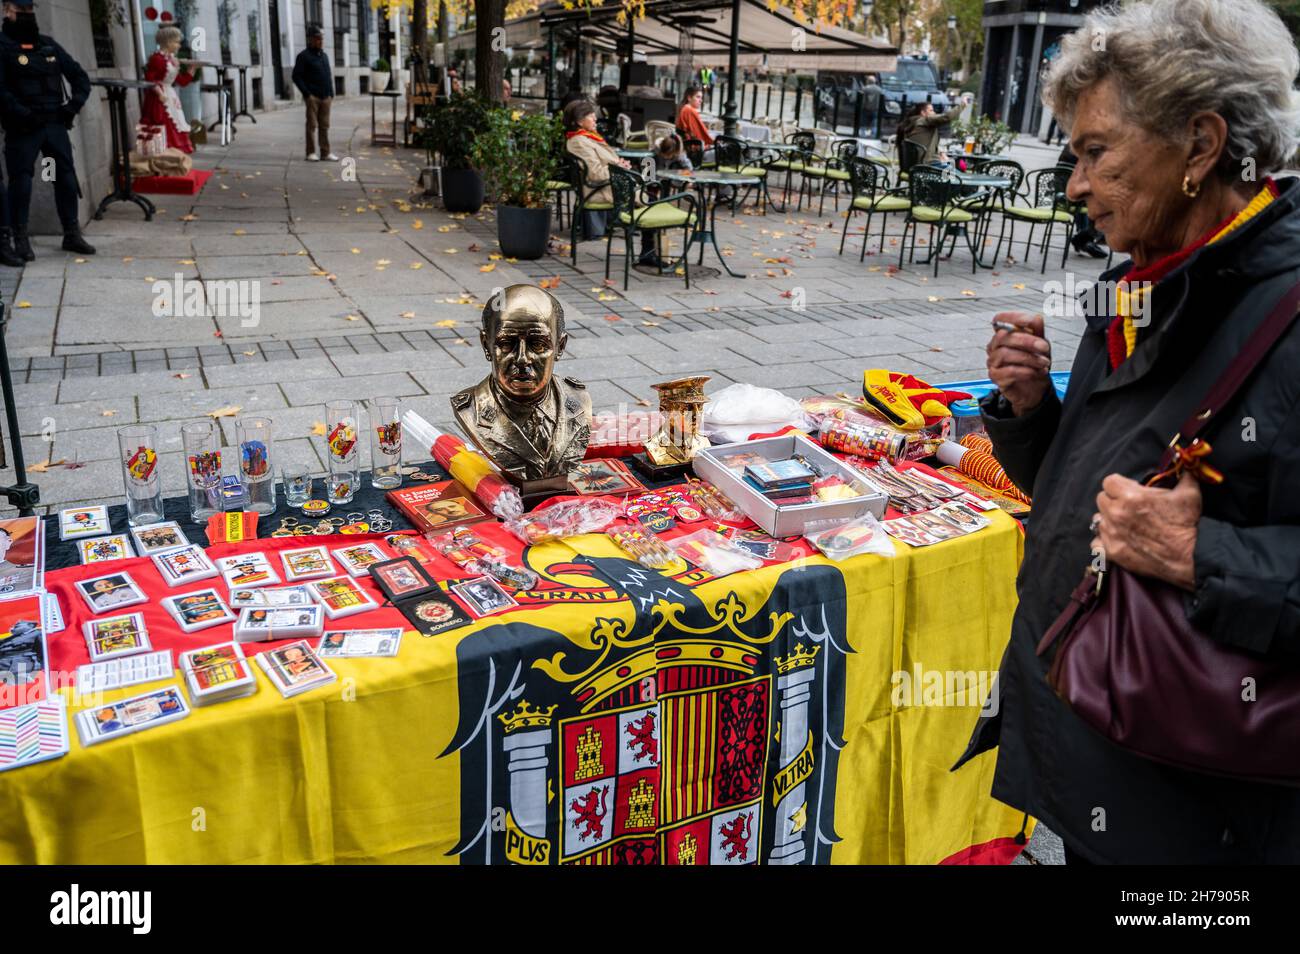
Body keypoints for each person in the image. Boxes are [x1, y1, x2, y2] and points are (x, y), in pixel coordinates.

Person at [955, 0, 1300, 864]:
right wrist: (1034, 417)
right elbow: (1102, 487)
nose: (1073, 185)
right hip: (1095, 742)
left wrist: (1205, 555)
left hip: (1210, 792)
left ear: (1200, 144)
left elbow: (1169, 531)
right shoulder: (1141, 284)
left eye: (1095, 152)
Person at [0, 0, 93, 260]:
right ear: (7, 11)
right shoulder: (3, 46)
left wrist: (71, 108)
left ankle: (71, 233)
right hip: (24, 130)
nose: (27, 15)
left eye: (30, 11)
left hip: (53, 129)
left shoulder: (47, 45)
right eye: (21, 11)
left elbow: (79, 77)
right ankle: (20, 238)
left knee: (60, 176)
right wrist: (21, 113)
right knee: (23, 182)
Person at [141, 25, 193, 154]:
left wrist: (192, 70)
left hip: (171, 95)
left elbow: (181, 81)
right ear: (168, 41)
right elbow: (150, 79)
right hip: (159, 98)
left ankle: (175, 155)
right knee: (163, 124)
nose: (178, 45)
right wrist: (159, 93)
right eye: (176, 42)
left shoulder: (172, 59)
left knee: (176, 122)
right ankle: (163, 154)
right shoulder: (157, 59)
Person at [292, 25, 336, 162]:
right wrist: (307, 94)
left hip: (325, 97)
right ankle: (310, 152)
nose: (320, 41)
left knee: (325, 125)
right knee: (311, 125)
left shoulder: (324, 56)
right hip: (313, 97)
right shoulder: (303, 56)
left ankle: (325, 152)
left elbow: (328, 75)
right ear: (310, 39)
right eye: (317, 39)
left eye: (321, 38)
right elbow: (296, 76)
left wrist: (331, 93)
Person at [1057, 142, 1107, 259]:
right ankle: (1085, 237)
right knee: (1110, 205)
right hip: (1073, 195)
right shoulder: (1091, 146)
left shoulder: (1079, 140)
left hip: (1062, 193)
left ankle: (1086, 237)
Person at [895, 95, 969, 166]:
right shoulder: (925, 121)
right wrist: (963, 104)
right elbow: (946, 117)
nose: (934, 113)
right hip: (925, 165)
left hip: (914, 165)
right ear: (923, 113)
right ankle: (949, 178)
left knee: (951, 164)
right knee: (951, 166)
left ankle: (949, 177)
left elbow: (926, 143)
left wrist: (940, 153)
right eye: (931, 110)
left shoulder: (914, 122)